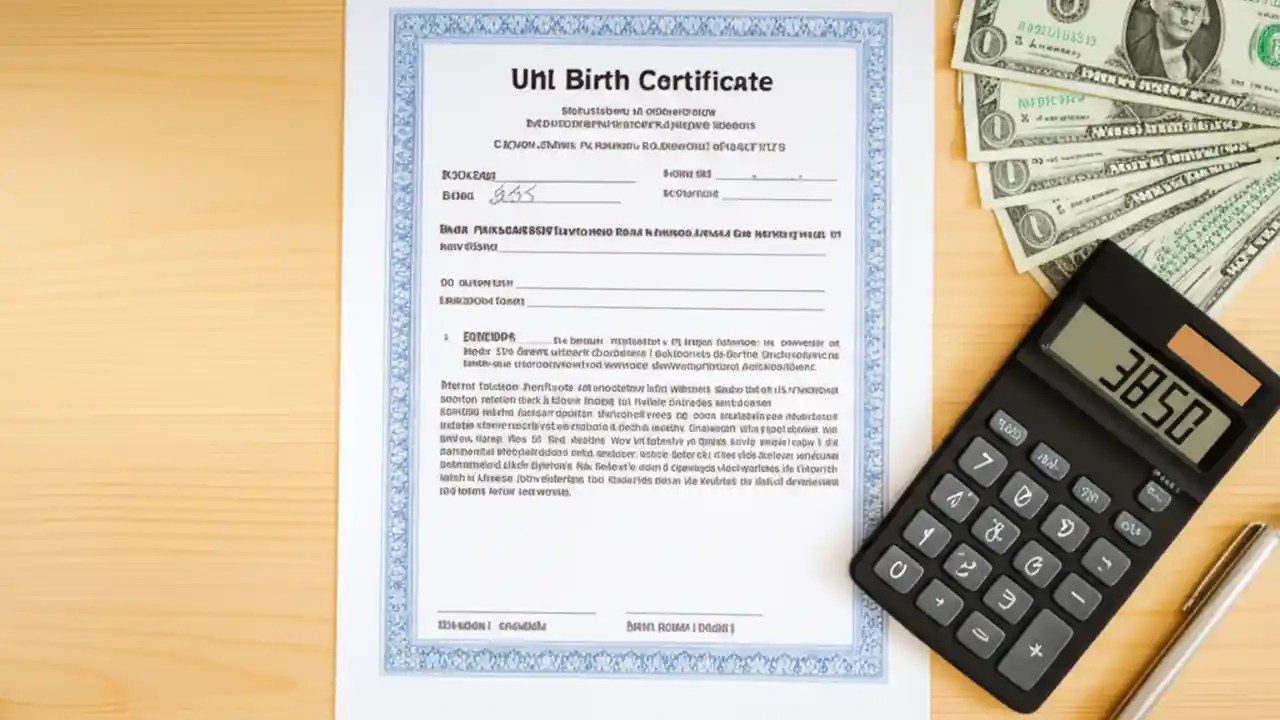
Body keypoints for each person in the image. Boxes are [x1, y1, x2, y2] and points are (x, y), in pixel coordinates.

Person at [1126, 0, 1214, 84]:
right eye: (1178, 6)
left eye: (1196, 11)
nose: (1187, 19)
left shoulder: (1197, 73)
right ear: (1156, 6)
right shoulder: (1135, 52)